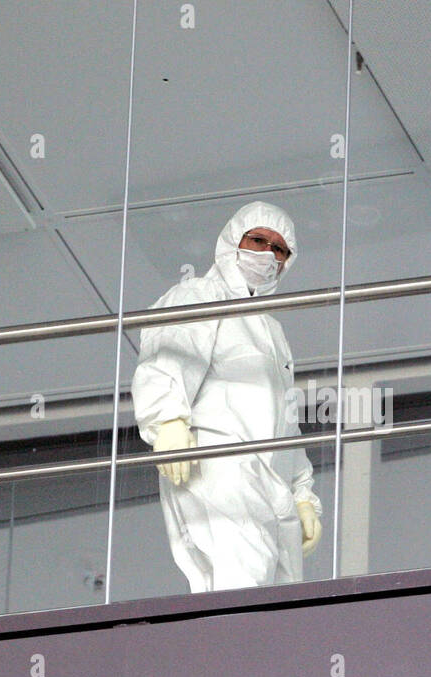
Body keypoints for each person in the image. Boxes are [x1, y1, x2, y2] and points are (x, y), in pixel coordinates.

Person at [130, 201, 322, 592]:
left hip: (272, 477)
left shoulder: (272, 332)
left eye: (279, 249)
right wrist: (167, 421)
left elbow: (284, 421)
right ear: (233, 241)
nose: (267, 254)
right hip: (218, 458)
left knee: (283, 591)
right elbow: (167, 355)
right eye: (257, 240)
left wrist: (303, 494)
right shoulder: (199, 293)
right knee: (242, 573)